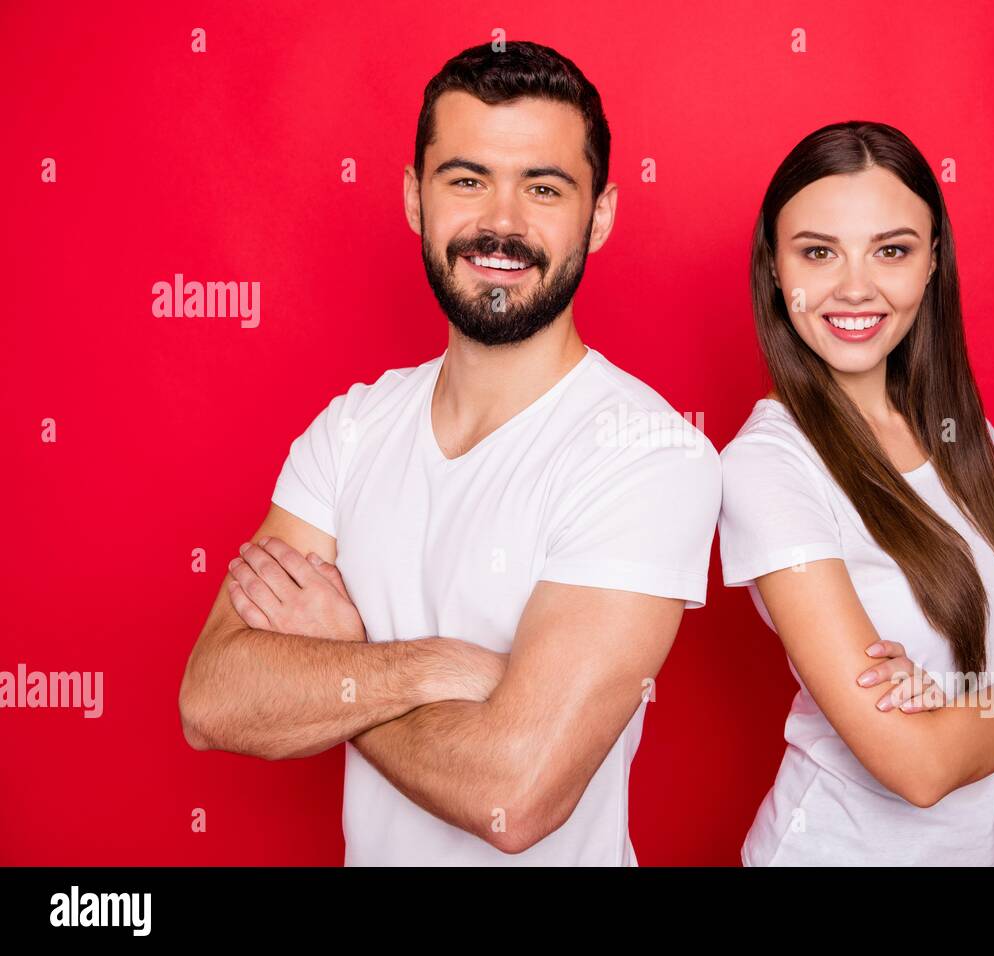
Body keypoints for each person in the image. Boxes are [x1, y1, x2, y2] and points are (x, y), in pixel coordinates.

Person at [178, 40, 721, 866]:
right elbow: (213, 698)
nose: (501, 223)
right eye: (467, 180)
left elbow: (513, 798)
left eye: (543, 188)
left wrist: (342, 659)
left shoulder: (648, 453)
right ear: (413, 197)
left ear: (600, 215)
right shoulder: (352, 428)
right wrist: (435, 667)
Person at [717, 120, 994, 866]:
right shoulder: (767, 466)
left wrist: (955, 708)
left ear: (933, 263)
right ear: (775, 267)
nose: (856, 287)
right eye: (818, 252)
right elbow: (918, 769)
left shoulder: (964, 436)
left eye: (892, 250)